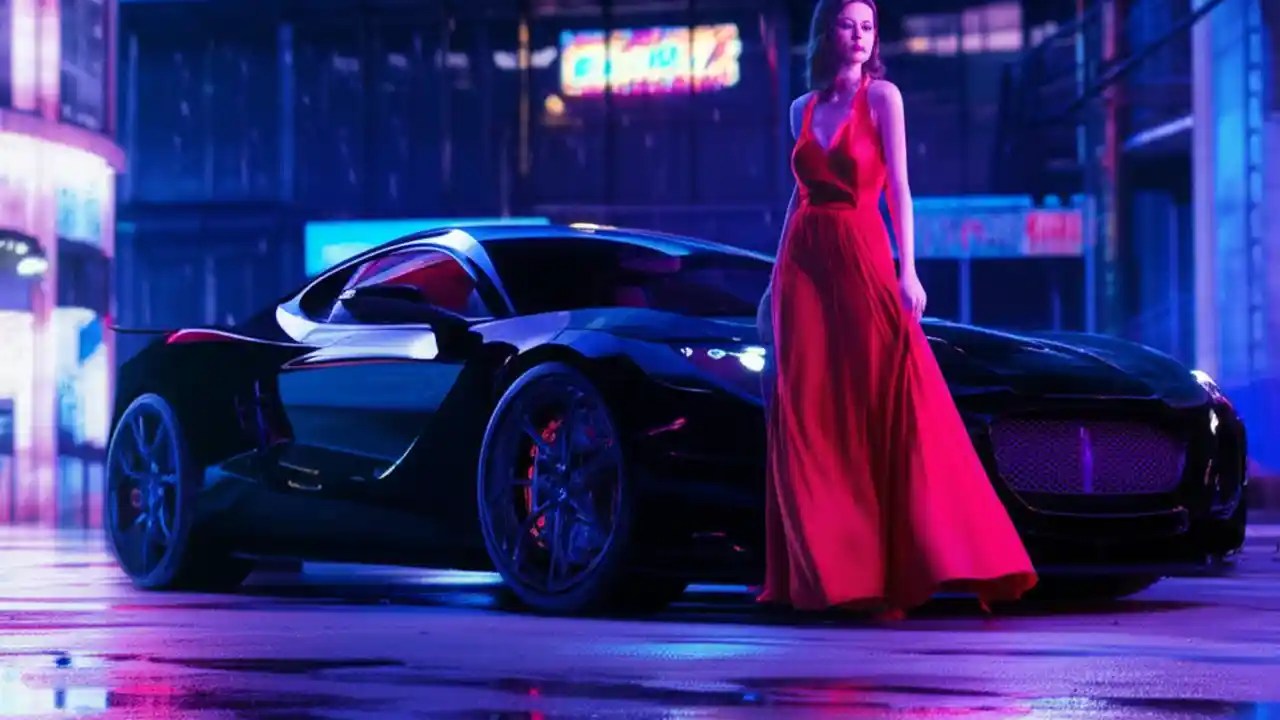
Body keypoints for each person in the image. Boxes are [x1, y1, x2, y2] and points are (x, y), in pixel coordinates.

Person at [757, 0, 1038, 617]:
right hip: (802, 268)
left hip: (863, 254)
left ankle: (903, 563)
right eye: (847, 24)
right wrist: (773, 281)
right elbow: (797, 199)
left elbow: (901, 190)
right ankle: (828, 574)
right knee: (809, 414)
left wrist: (909, 269)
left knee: (887, 394)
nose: (859, 36)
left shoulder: (884, 97)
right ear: (825, 32)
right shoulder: (801, 109)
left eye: (868, 27)